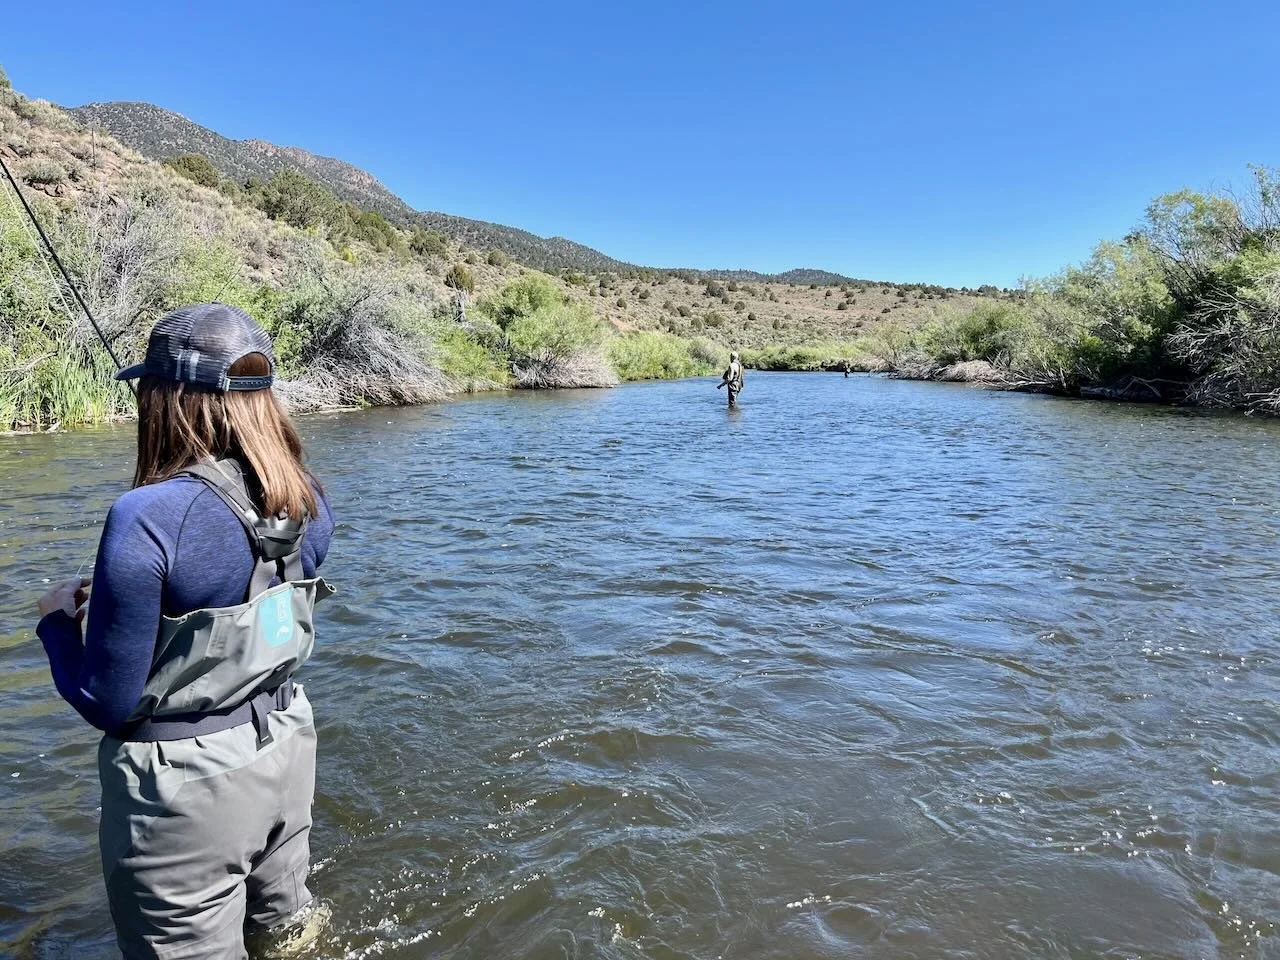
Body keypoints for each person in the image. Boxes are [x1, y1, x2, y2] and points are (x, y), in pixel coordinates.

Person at [35, 303, 336, 959]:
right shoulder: (308, 496)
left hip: (185, 788)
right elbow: (242, 583)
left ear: (165, 398)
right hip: (285, 745)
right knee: (287, 931)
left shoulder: (145, 516)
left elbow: (108, 703)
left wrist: (57, 622)